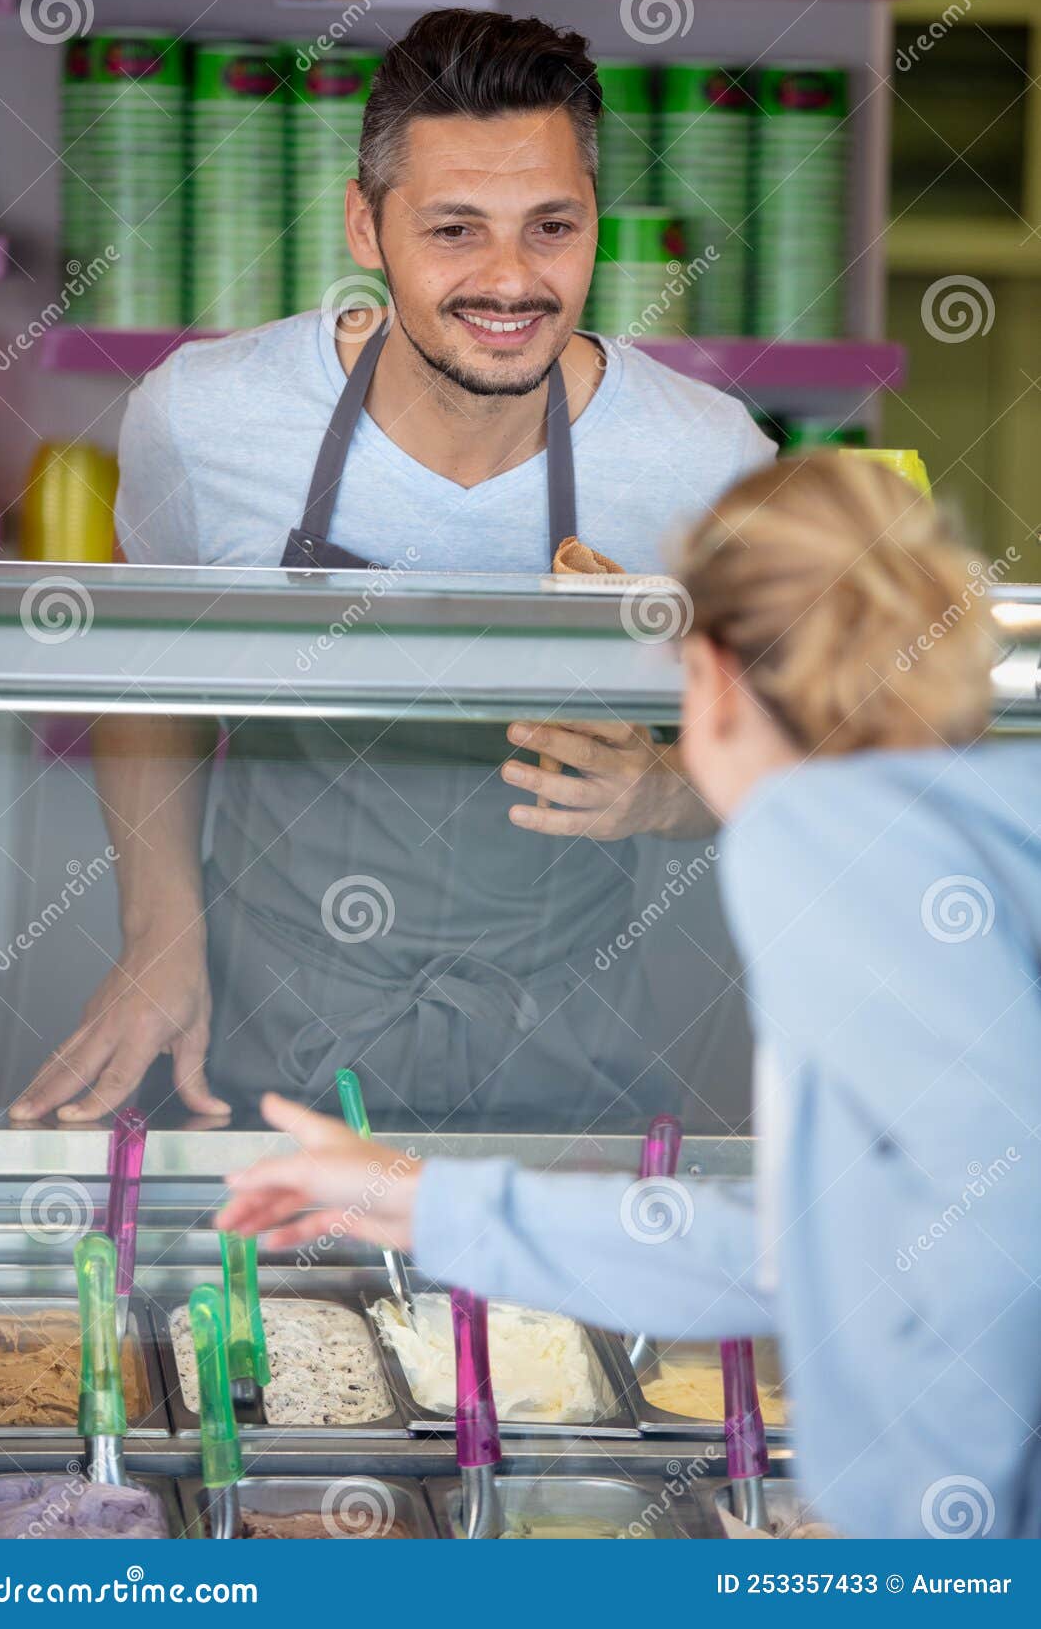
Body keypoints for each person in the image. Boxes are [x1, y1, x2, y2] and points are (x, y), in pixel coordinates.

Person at [218, 454, 1041, 1538]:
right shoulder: (972, 806)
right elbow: (791, 1249)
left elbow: (995, 1217)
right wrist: (420, 1199)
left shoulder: (821, 832)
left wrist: (935, 1551)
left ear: (708, 672)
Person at [11, 8, 773, 1130]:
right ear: (366, 227)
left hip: (562, 1061)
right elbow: (147, 684)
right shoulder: (209, 420)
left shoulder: (708, 461)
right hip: (268, 1045)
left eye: (551, 226)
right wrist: (156, 938)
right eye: (454, 230)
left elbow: (812, 736)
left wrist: (664, 789)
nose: (510, 282)